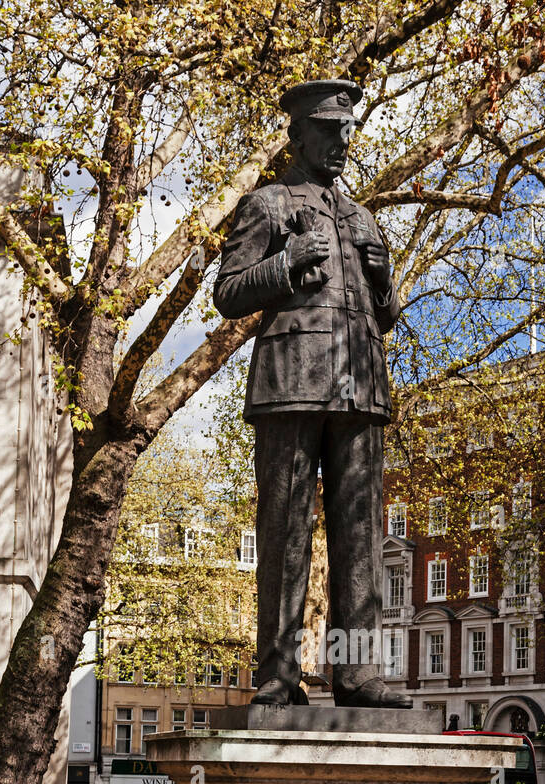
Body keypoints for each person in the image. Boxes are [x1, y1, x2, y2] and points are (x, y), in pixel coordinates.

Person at [213, 79, 411, 709]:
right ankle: (276, 677)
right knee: (285, 531)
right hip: (291, 381)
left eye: (346, 131)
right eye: (327, 131)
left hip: (361, 385)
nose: (340, 142)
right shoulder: (267, 204)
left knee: (359, 533)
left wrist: (384, 281)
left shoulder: (362, 216)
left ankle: (356, 674)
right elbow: (229, 293)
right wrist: (290, 257)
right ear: (298, 135)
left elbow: (384, 316)